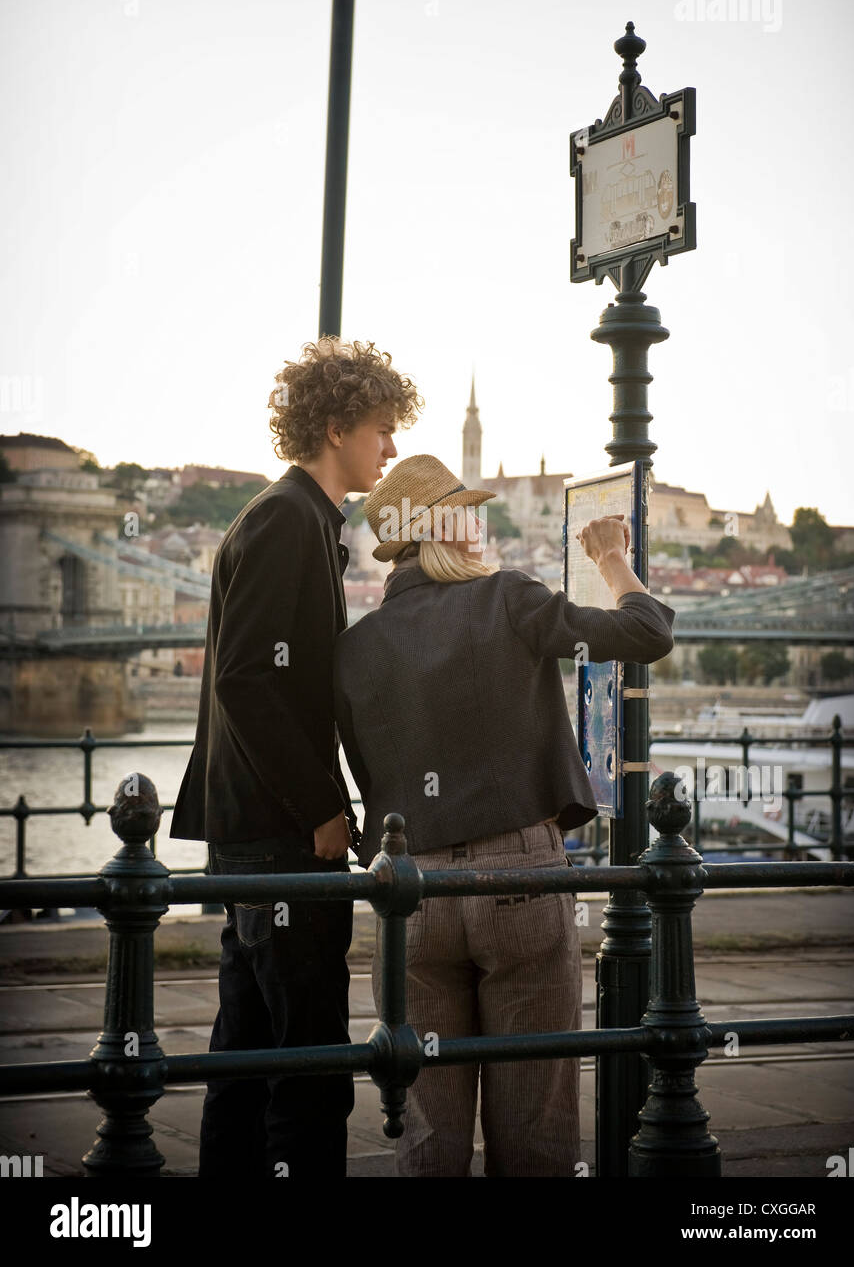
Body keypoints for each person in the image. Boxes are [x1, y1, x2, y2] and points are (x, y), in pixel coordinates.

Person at [332, 454, 675, 1177]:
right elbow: (645, 630)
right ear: (445, 529)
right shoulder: (507, 601)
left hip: (410, 895)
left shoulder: (355, 649)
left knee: (427, 1133)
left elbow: (366, 781)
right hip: (519, 871)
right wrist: (612, 558)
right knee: (536, 1127)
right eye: (469, 511)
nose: (480, 525)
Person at [170, 336, 422, 1177]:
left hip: (249, 833)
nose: (391, 448)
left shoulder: (288, 515)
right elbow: (246, 679)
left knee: (241, 1061)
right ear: (339, 423)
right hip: (279, 836)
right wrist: (322, 805)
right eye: (383, 429)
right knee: (310, 1069)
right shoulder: (287, 521)